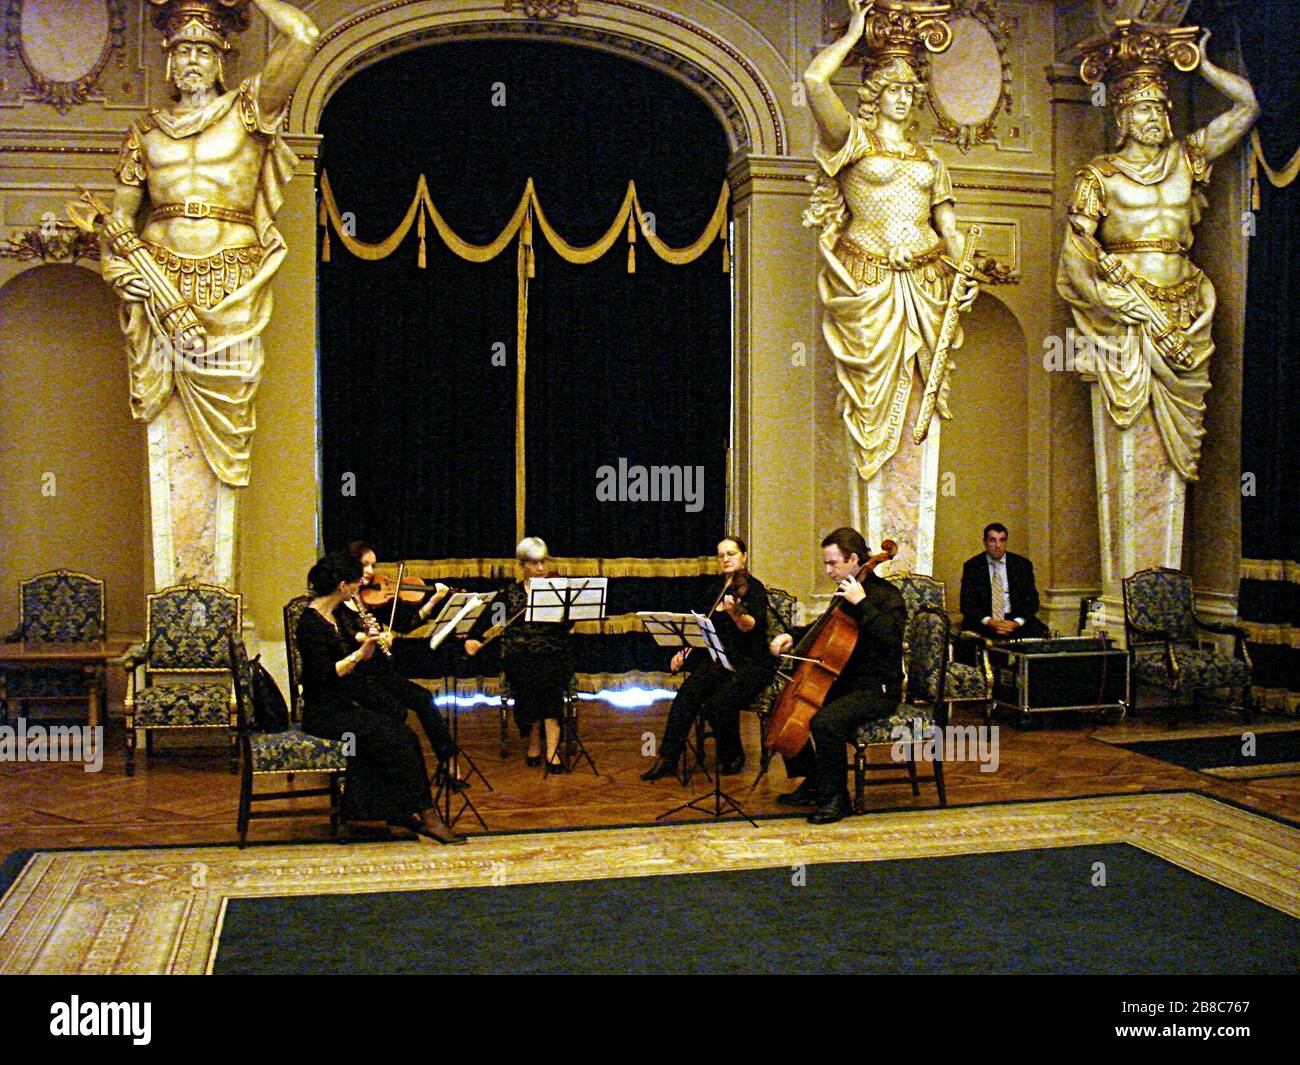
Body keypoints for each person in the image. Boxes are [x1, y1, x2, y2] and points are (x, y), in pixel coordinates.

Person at [102, 0, 318, 487]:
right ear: (169, 62)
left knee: (233, 412)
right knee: (164, 427)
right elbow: (117, 218)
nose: (191, 61)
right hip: (158, 280)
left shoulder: (248, 111)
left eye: (202, 50)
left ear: (220, 58)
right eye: (181, 52)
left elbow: (303, 36)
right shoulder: (145, 133)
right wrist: (118, 271)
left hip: (232, 278)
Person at [1056, 28, 1258, 483]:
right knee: (1129, 439)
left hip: (1185, 311)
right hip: (1126, 315)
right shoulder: (1099, 176)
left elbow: (1248, 106)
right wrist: (1107, 299)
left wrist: (1202, 65)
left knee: (1177, 456)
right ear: (1124, 116)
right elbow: (1076, 254)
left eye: (1160, 108)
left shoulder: (1188, 159)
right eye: (1144, 108)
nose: (1155, 116)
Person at [803, 0, 978, 486]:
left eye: (909, 90)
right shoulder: (853, 141)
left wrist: (966, 276)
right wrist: (852, 35)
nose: (902, 98)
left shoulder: (931, 159)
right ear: (874, 95)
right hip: (870, 282)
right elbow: (815, 83)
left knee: (925, 390)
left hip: (928, 281)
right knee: (872, 397)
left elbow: (950, 229)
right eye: (892, 89)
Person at [295, 552, 464, 844]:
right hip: (324, 713)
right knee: (401, 737)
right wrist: (360, 653)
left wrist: (371, 644)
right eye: (353, 581)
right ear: (340, 585)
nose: (359, 585)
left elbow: (359, 660)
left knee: (393, 721)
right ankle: (427, 816)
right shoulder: (310, 623)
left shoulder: (335, 616)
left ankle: (382, 809)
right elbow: (324, 675)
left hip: (345, 703)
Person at [769, 528, 905, 824]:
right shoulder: (846, 591)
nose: (828, 570)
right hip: (845, 682)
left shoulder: (885, 596)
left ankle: (837, 798)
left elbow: (891, 638)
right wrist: (791, 636)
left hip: (878, 688)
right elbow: (824, 628)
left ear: (854, 559)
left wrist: (862, 603)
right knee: (786, 707)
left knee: (825, 722)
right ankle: (816, 781)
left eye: (833, 563)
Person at [334, 542, 468, 790]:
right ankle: (391, 779)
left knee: (424, 698)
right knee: (396, 712)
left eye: (373, 565)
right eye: (365, 564)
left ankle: (449, 762)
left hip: (382, 672)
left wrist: (434, 599)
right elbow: (345, 641)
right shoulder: (340, 603)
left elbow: (406, 624)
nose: (370, 571)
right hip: (358, 677)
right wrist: (373, 638)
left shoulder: (367, 599)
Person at [641, 537, 775, 781]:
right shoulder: (715, 590)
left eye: (731, 553)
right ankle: (668, 757)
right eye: (721, 555)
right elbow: (704, 628)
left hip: (751, 662)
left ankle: (732, 755)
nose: (725, 558)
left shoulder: (754, 588)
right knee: (686, 694)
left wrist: (735, 612)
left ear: (744, 556)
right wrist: (683, 652)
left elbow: (751, 627)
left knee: (719, 703)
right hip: (722, 660)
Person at [465, 537, 574, 771]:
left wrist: (565, 614)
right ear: (523, 566)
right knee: (531, 681)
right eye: (535, 563)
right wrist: (474, 639)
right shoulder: (510, 595)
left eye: (543, 562)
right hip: (520, 658)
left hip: (553, 655)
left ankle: (552, 751)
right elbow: (487, 621)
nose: (542, 568)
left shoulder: (558, 592)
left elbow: (567, 628)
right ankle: (534, 742)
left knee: (549, 681)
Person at [959, 523, 1048, 640]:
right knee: (967, 639)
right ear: (985, 542)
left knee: (1040, 633)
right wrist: (990, 622)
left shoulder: (1022, 565)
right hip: (985, 620)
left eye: (1002, 540)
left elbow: (1032, 601)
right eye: (993, 540)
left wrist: (1015, 623)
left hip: (1014, 618)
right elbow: (967, 603)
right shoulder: (972, 566)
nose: (998, 545)